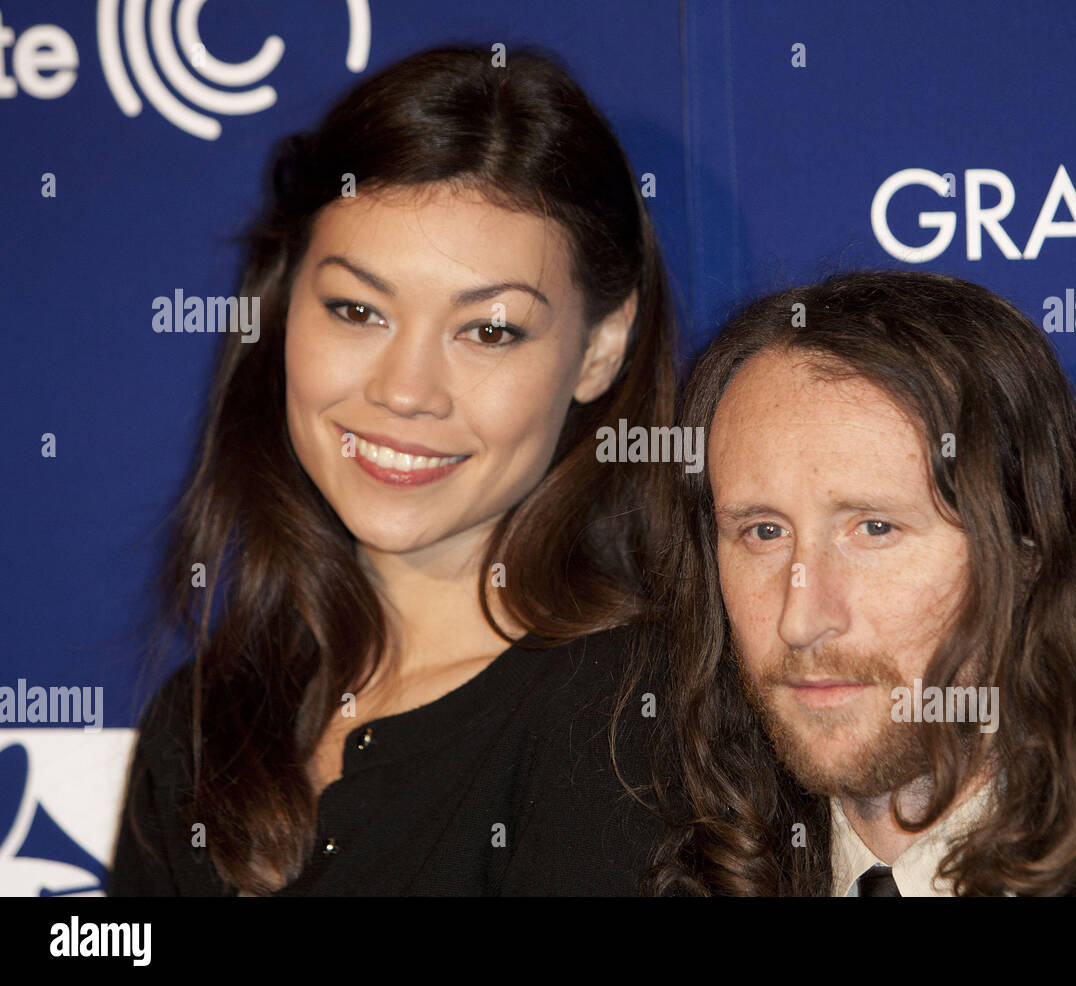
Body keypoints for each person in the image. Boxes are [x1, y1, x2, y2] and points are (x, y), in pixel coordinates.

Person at [108, 45, 677, 896]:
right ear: (283, 304)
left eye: (488, 330)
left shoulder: (635, 714)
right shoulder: (203, 727)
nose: (406, 392)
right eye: (357, 310)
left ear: (599, 350)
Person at [635, 269, 1076, 896]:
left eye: (874, 529)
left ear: (1029, 554)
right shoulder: (650, 867)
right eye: (763, 533)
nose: (801, 618)